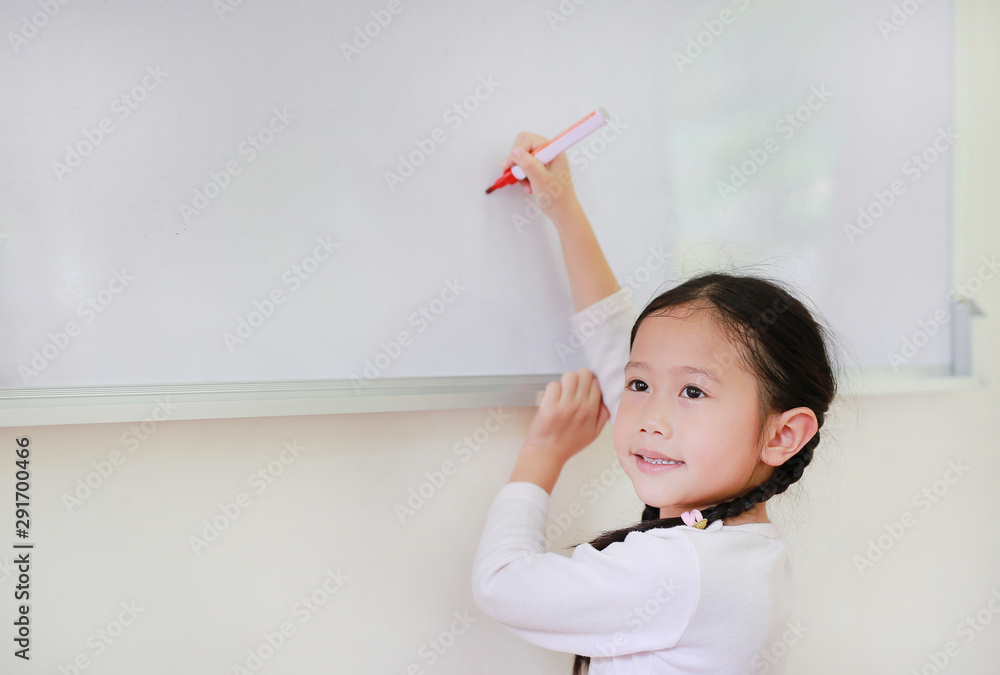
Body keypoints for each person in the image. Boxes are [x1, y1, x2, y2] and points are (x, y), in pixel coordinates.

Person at [471, 132, 839, 674]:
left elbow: (502, 585)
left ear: (782, 434)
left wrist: (543, 453)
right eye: (639, 386)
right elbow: (621, 350)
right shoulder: (743, 551)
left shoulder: (678, 569)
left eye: (693, 392)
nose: (648, 420)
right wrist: (564, 210)